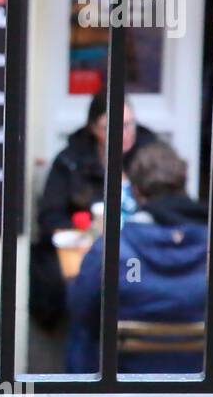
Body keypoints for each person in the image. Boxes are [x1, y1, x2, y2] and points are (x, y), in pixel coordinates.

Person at [66, 141, 213, 374]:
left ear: (134, 192)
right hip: (199, 380)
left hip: (121, 380)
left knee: (80, 329)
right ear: (184, 184)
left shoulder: (110, 250)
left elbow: (83, 312)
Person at [28, 90, 158, 329]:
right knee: (84, 296)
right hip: (89, 252)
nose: (123, 134)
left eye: (128, 125)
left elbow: (170, 208)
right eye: (109, 128)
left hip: (144, 251)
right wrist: (82, 231)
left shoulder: (153, 157)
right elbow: (50, 216)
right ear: (92, 129)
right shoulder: (71, 160)